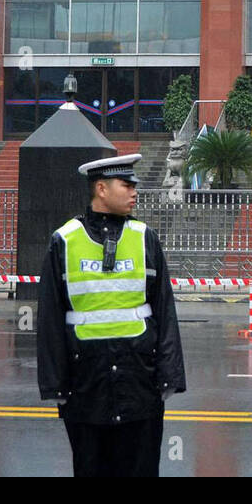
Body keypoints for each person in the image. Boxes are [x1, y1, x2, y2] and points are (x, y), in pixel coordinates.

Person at [37, 154, 186, 477]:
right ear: (101, 189)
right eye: (127, 185)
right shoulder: (64, 241)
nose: (135, 192)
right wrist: (55, 386)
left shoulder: (144, 237)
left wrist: (169, 376)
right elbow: (50, 317)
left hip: (139, 382)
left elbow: (164, 309)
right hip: (86, 385)